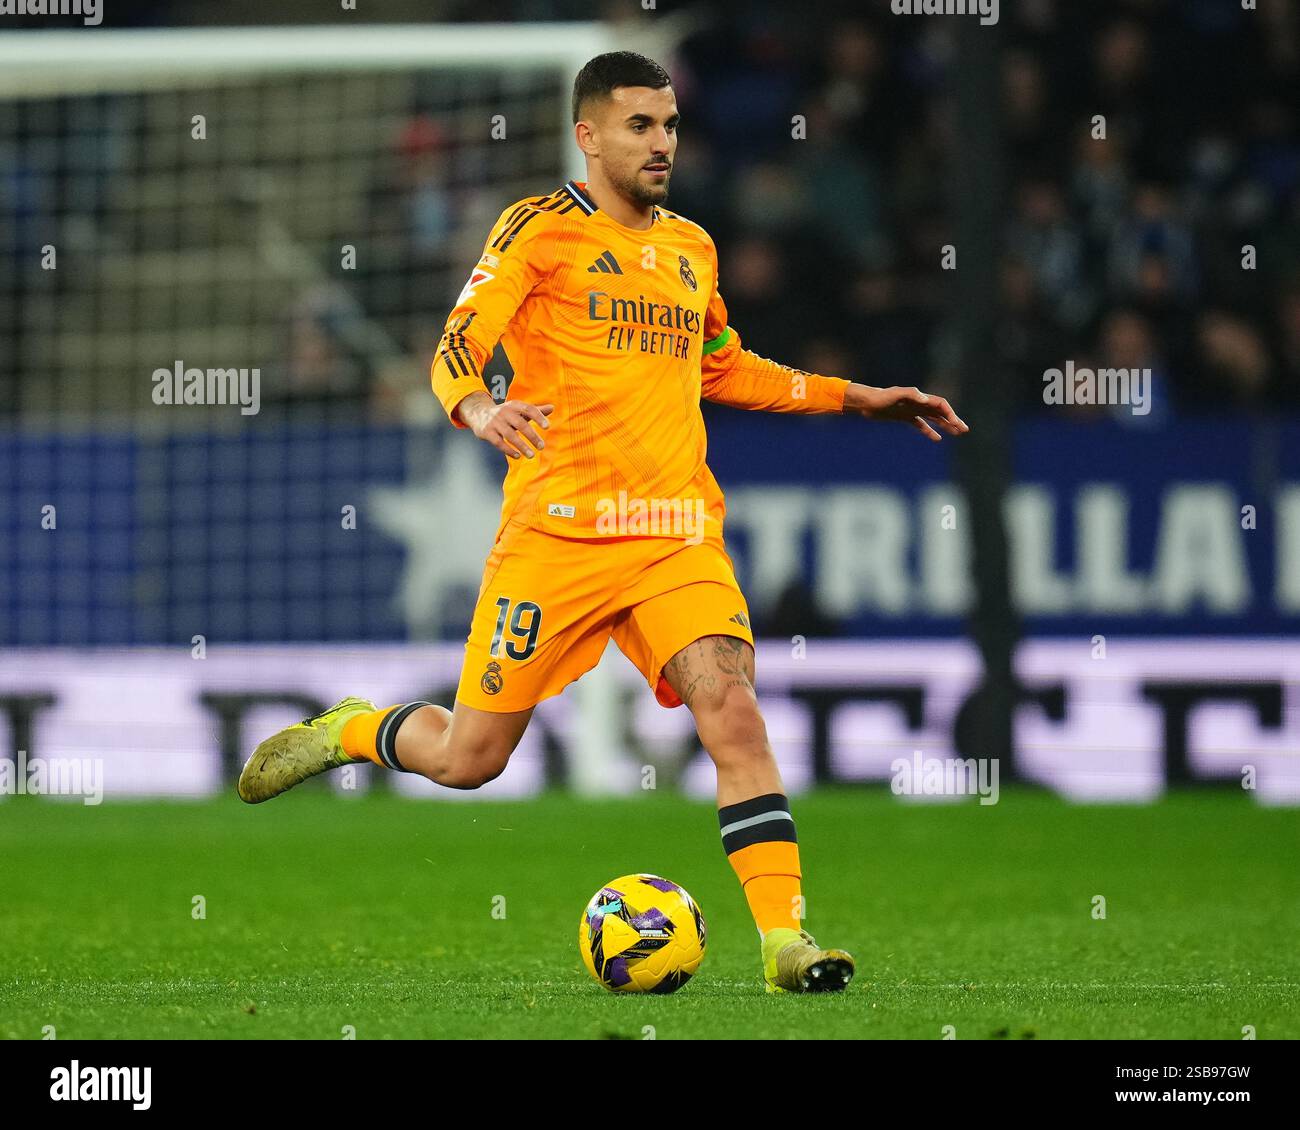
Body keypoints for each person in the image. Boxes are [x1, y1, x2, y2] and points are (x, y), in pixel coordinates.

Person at [238, 51, 968, 994]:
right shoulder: (538, 232)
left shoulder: (692, 248)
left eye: (668, 124)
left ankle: (786, 942)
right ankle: (350, 731)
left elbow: (722, 365)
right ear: (588, 136)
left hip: (672, 531)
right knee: (470, 759)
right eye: (639, 126)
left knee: (732, 710)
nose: (662, 142)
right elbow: (460, 342)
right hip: (556, 538)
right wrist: (477, 409)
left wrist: (852, 398)